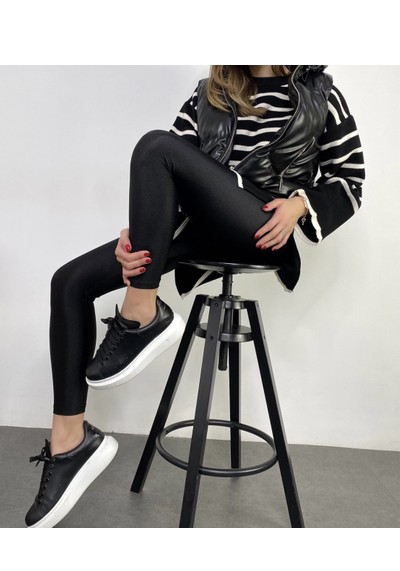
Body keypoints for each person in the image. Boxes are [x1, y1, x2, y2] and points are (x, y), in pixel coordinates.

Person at [25, 65, 365, 528]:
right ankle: (70, 442)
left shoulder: (320, 93)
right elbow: (167, 173)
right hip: (198, 229)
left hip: (261, 224)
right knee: (68, 282)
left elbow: (351, 180)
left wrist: (300, 204)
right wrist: (139, 233)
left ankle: (142, 314)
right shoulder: (210, 93)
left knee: (154, 144)